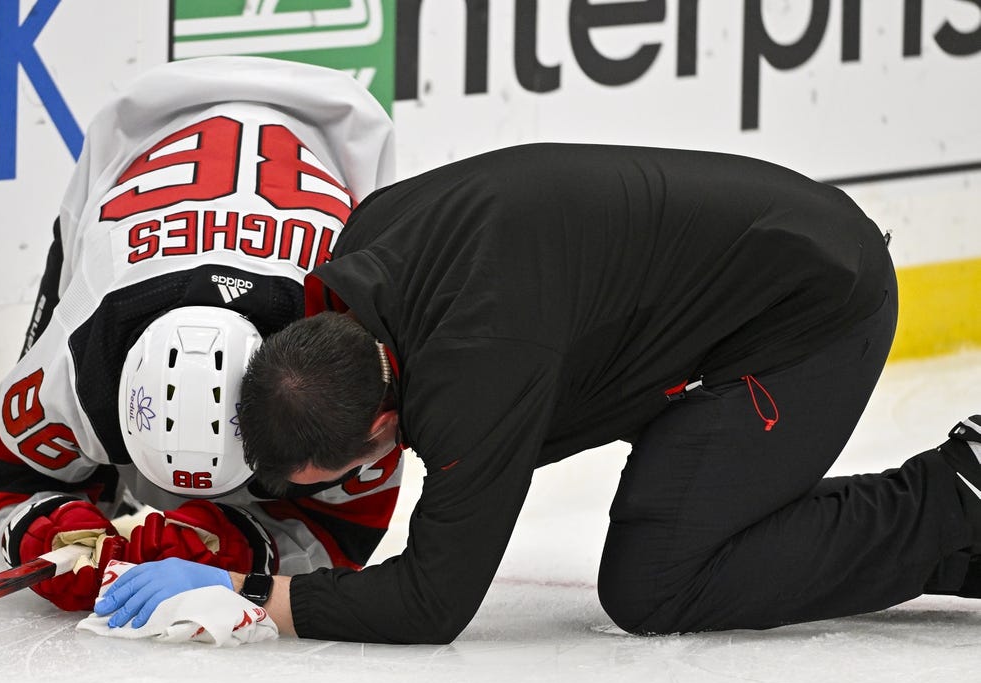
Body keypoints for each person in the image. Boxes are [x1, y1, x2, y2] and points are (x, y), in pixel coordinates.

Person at [93, 143, 981, 643]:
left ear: (382, 423)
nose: (347, 481)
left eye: (344, 468)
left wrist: (245, 590)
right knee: (673, 530)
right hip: (741, 269)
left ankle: (955, 493)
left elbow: (433, 601)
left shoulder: (476, 371)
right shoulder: (363, 251)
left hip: (812, 311)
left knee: (656, 583)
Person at [0, 55, 403, 613]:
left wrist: (228, 542)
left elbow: (347, 533)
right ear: (114, 406)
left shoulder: (340, 349)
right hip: (134, 135)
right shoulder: (77, 363)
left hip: (342, 136)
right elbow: (3, 474)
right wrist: (51, 532)